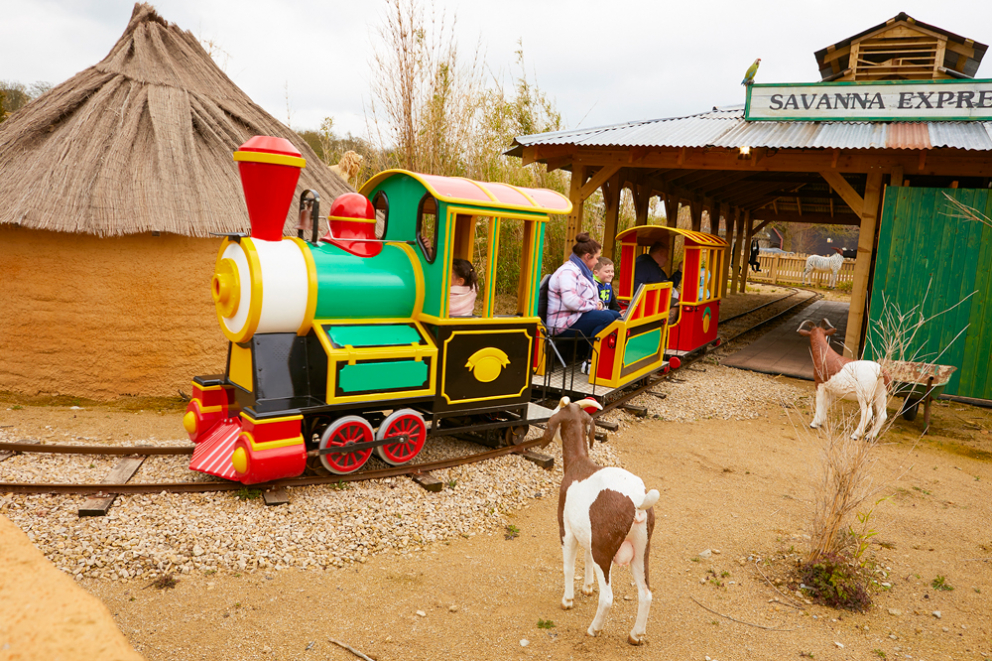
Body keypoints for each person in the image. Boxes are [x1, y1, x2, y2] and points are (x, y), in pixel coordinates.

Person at [547, 234, 622, 372]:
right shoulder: (568, 272)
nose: (597, 261)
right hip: (563, 324)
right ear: (587, 256)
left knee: (616, 316)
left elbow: (592, 296)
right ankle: (590, 363)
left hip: (575, 317)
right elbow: (570, 300)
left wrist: (598, 303)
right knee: (607, 318)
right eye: (597, 258)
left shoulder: (583, 271)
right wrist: (595, 306)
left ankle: (602, 359)